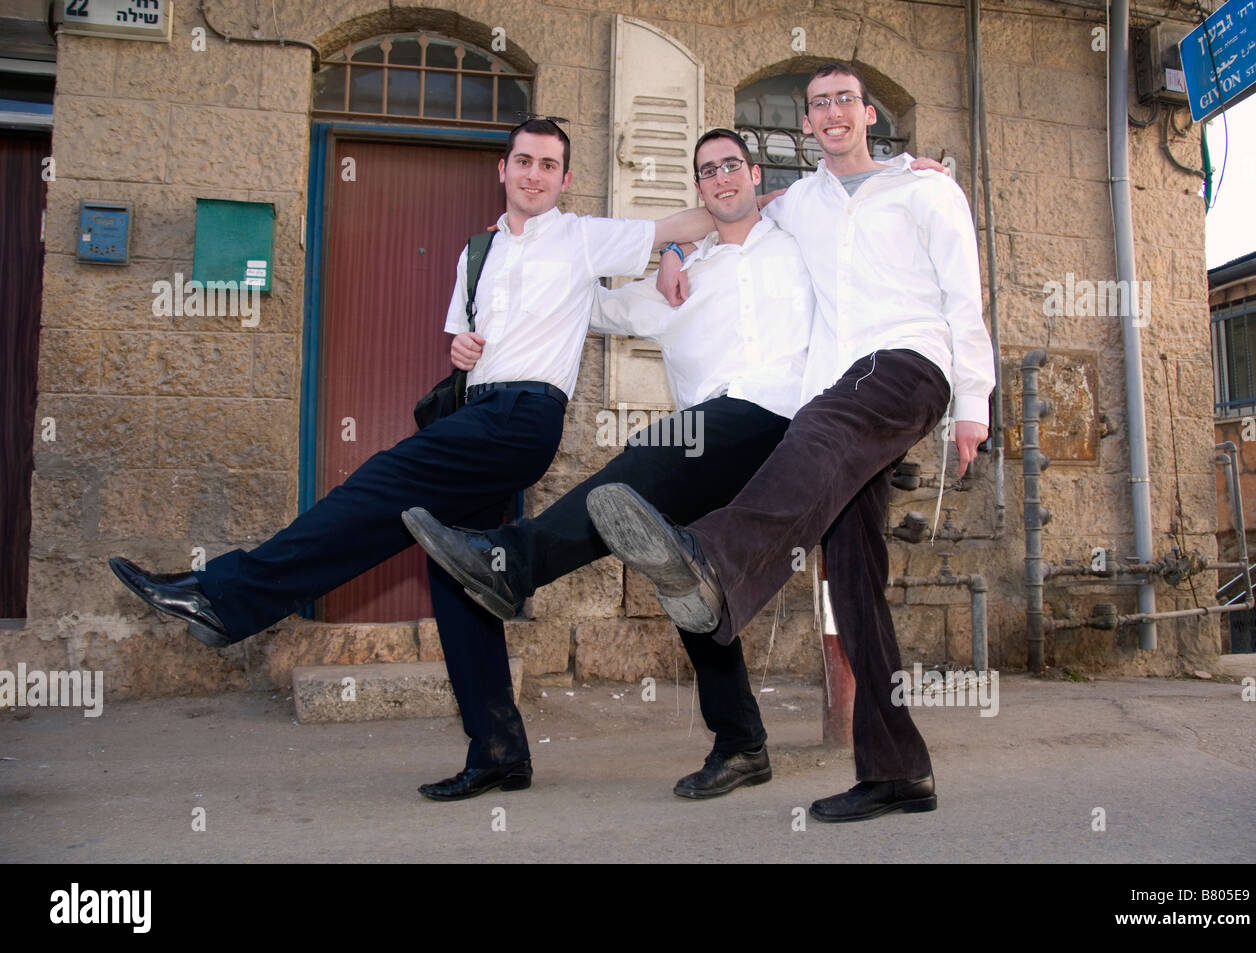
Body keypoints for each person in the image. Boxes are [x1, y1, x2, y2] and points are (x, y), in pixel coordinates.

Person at [107, 118, 711, 802]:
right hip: (477, 409)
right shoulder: (475, 252)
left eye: (548, 165)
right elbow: (465, 338)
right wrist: (463, 354)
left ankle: (223, 596)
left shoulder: (581, 236)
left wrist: (677, 252)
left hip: (523, 419)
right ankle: (500, 751)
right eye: (524, 161)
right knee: (459, 579)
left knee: (378, 487)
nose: (535, 174)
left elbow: (691, 217)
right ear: (503, 169)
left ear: (565, 179)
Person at [586, 62, 997, 823]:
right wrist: (673, 251)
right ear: (806, 126)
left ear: (868, 113)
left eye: (846, 99)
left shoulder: (925, 188)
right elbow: (734, 206)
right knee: (854, 580)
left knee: (813, 427)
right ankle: (898, 769)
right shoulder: (800, 202)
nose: (833, 111)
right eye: (818, 105)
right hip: (843, 385)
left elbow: (964, 293)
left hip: (908, 365)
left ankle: (713, 558)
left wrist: (973, 401)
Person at [403, 128, 814, 799]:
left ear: (753, 170)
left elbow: (838, 198)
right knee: (685, 581)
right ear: (699, 189)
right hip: (708, 447)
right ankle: (742, 742)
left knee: (649, 452)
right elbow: (587, 304)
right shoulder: (678, 280)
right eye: (707, 171)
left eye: (731, 165)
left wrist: (903, 164)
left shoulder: (796, 243)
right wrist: (517, 254)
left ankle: (513, 562)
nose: (721, 178)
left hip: (782, 423)